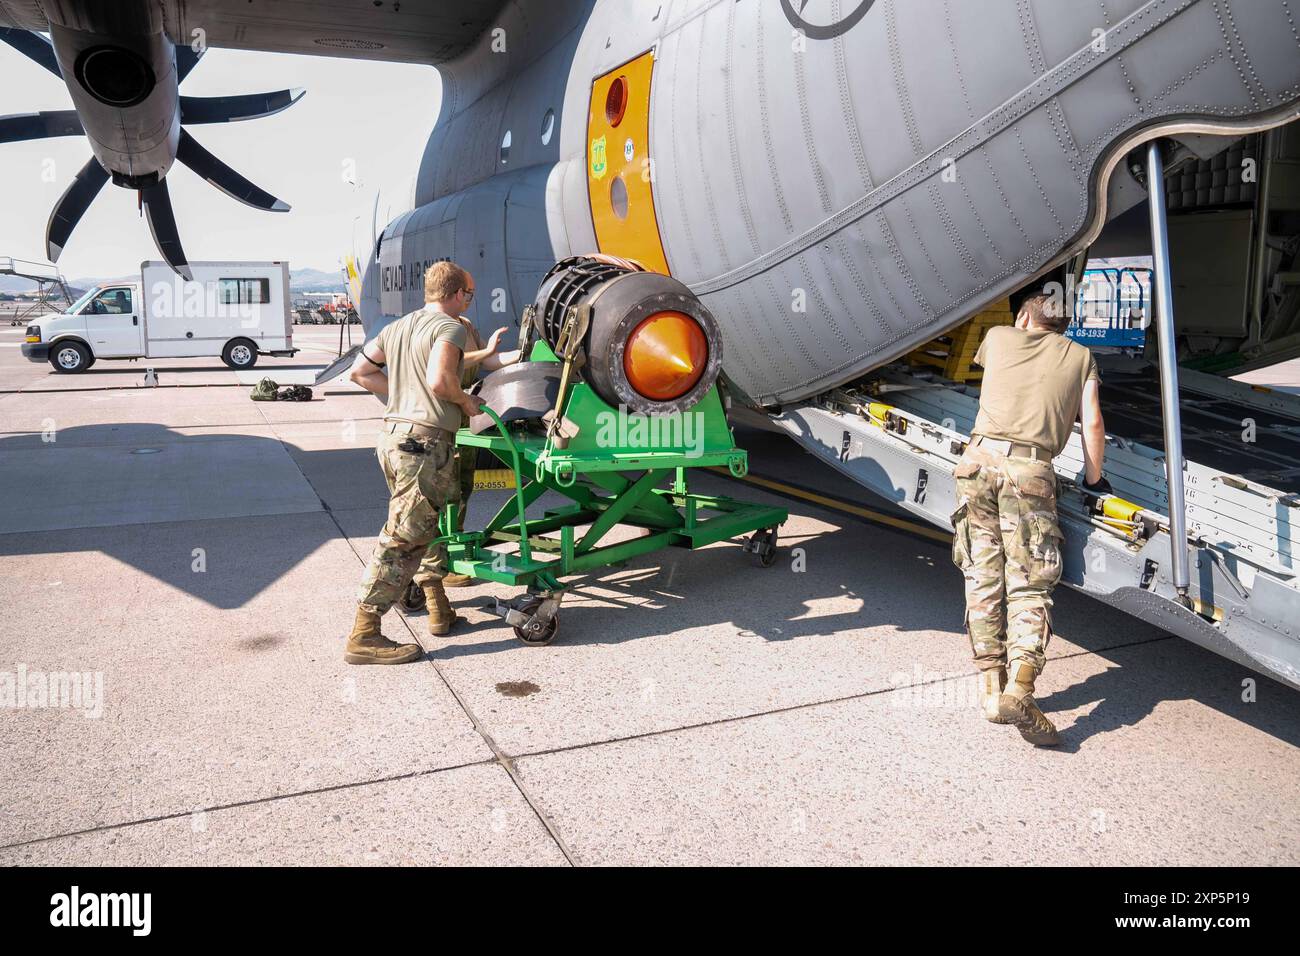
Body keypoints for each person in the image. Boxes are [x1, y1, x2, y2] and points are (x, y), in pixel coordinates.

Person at [950, 291, 1110, 745]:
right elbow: (1092, 422)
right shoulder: (1081, 357)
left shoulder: (998, 337)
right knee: (1030, 583)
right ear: (1066, 326)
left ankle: (989, 688)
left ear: (1024, 316)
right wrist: (1095, 481)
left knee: (983, 574)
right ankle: (1019, 689)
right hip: (1030, 473)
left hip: (977, 463)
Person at [342, 261, 484, 664]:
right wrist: (464, 401)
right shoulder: (451, 327)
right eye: (468, 295)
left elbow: (361, 371)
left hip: (393, 439)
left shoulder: (398, 326)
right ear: (456, 294)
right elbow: (442, 382)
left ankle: (438, 605)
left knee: (420, 529)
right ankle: (364, 633)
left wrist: (402, 396)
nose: (468, 301)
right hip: (423, 445)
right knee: (402, 540)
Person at [440, 313, 522, 587]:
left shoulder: (465, 325)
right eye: (466, 293)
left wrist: (522, 353)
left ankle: (455, 546)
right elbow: (455, 365)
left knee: (463, 485)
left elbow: (488, 362)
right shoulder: (438, 327)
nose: (469, 299)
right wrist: (486, 351)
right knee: (446, 488)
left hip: (468, 412)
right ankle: (442, 557)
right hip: (447, 412)